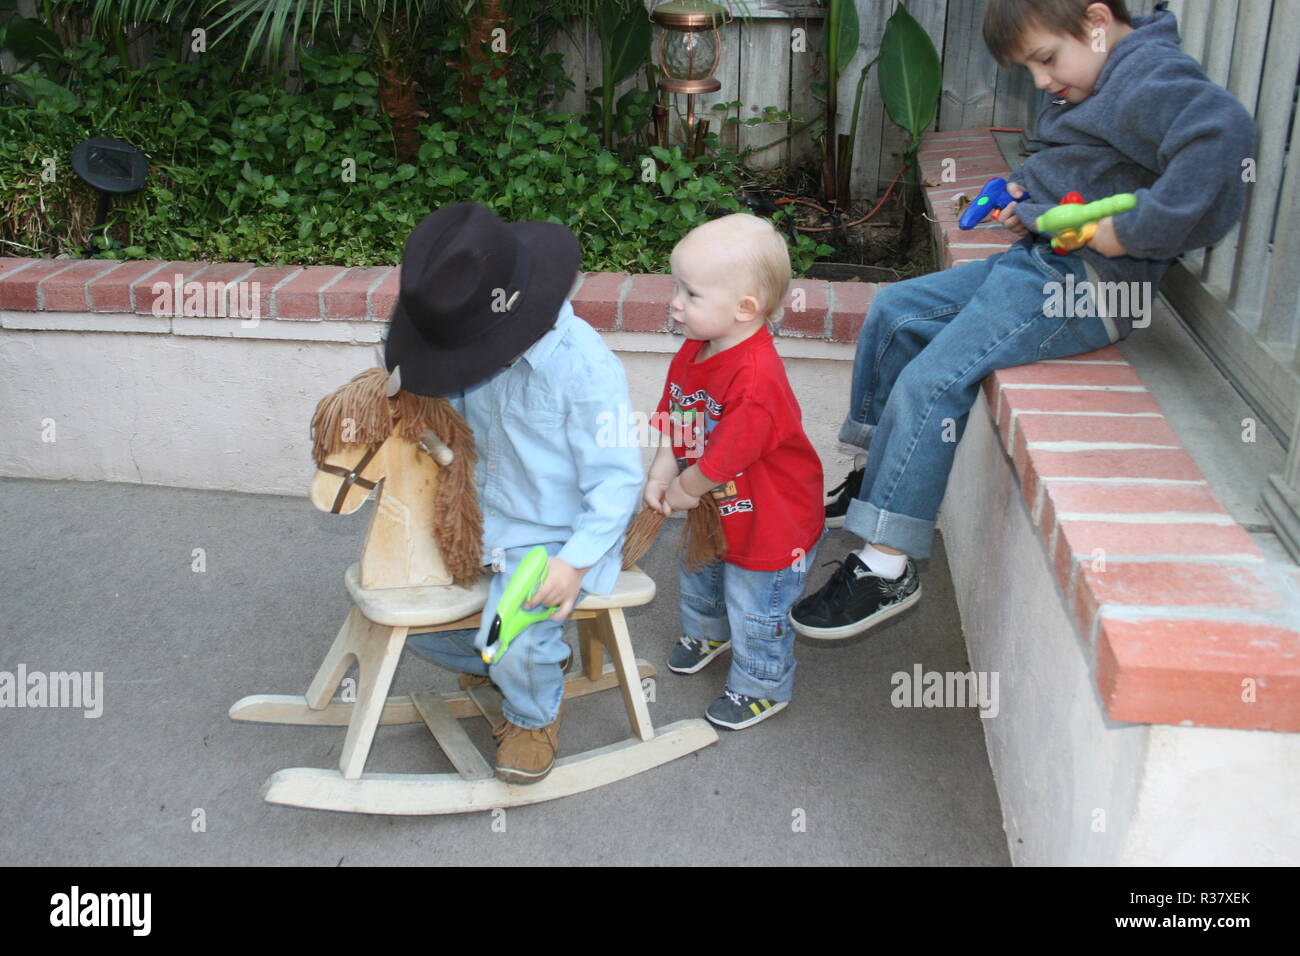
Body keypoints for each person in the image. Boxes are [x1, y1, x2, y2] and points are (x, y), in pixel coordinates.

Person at [793, 0, 1255, 639]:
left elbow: (1223, 137)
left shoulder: (1149, 73)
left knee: (934, 382)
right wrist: (1022, 191)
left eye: (1044, 60)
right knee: (896, 311)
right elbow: (1080, 159)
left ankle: (886, 563)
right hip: (1039, 265)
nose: (1040, 81)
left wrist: (1132, 230)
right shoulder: (1099, 73)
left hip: (1089, 286)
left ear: (1096, 21)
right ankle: (880, 480)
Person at [386, 201, 642, 784]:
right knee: (421, 625)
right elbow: (446, 418)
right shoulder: (469, 341)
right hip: (485, 521)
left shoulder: (584, 368)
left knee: (515, 632)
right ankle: (515, 660)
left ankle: (532, 714)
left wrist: (574, 562)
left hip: (555, 539)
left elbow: (617, 476)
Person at [645, 213, 824, 730]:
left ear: (745, 309)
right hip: (718, 510)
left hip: (772, 522)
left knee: (756, 607)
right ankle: (708, 631)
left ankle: (761, 685)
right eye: (676, 286)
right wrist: (663, 465)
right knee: (700, 568)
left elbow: (723, 460)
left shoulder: (755, 380)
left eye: (691, 294)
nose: (675, 302)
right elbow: (678, 412)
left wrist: (683, 488)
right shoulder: (695, 349)